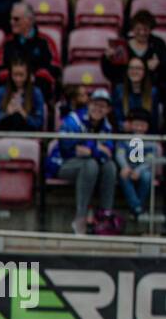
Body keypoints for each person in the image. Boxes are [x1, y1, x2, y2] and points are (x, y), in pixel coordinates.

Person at [47, 87, 118, 235]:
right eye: (95, 104)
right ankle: (80, 218)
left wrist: (88, 149)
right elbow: (67, 147)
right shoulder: (74, 119)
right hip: (62, 164)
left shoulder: (107, 126)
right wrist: (96, 149)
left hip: (88, 165)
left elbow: (109, 153)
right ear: (89, 104)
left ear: (108, 110)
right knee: (91, 164)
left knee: (109, 166)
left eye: (102, 106)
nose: (98, 109)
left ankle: (105, 215)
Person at [0, 1, 61, 100]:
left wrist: (31, 78)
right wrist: (17, 77)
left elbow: (55, 68)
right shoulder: (7, 42)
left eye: (16, 19)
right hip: (11, 87)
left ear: (29, 20)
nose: (11, 22)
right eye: (11, 19)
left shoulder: (45, 41)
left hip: (37, 86)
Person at [103, 10, 166, 89]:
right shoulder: (122, 45)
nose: (142, 33)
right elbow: (112, 74)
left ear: (150, 29)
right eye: (138, 29)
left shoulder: (158, 44)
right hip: (126, 89)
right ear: (133, 29)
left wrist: (159, 64)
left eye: (145, 29)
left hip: (151, 88)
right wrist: (107, 59)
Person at [116, 105, 157, 221]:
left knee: (147, 177)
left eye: (142, 125)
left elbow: (150, 159)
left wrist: (138, 171)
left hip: (143, 169)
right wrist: (125, 167)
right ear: (130, 124)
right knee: (123, 177)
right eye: (136, 124)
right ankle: (137, 207)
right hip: (128, 168)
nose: (139, 128)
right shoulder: (123, 139)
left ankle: (137, 207)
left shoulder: (151, 142)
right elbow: (120, 154)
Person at [0, 58, 45, 131]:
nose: (18, 79)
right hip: (6, 133)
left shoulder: (36, 93)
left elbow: (39, 123)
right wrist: (7, 113)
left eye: (21, 75)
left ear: (27, 74)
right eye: (15, 75)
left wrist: (23, 113)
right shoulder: (1, 91)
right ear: (10, 75)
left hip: (27, 133)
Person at [112, 55, 160, 131]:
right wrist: (122, 125)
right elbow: (115, 118)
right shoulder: (119, 90)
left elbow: (155, 121)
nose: (134, 71)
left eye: (138, 68)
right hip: (124, 136)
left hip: (147, 137)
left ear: (145, 72)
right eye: (131, 68)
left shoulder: (153, 92)